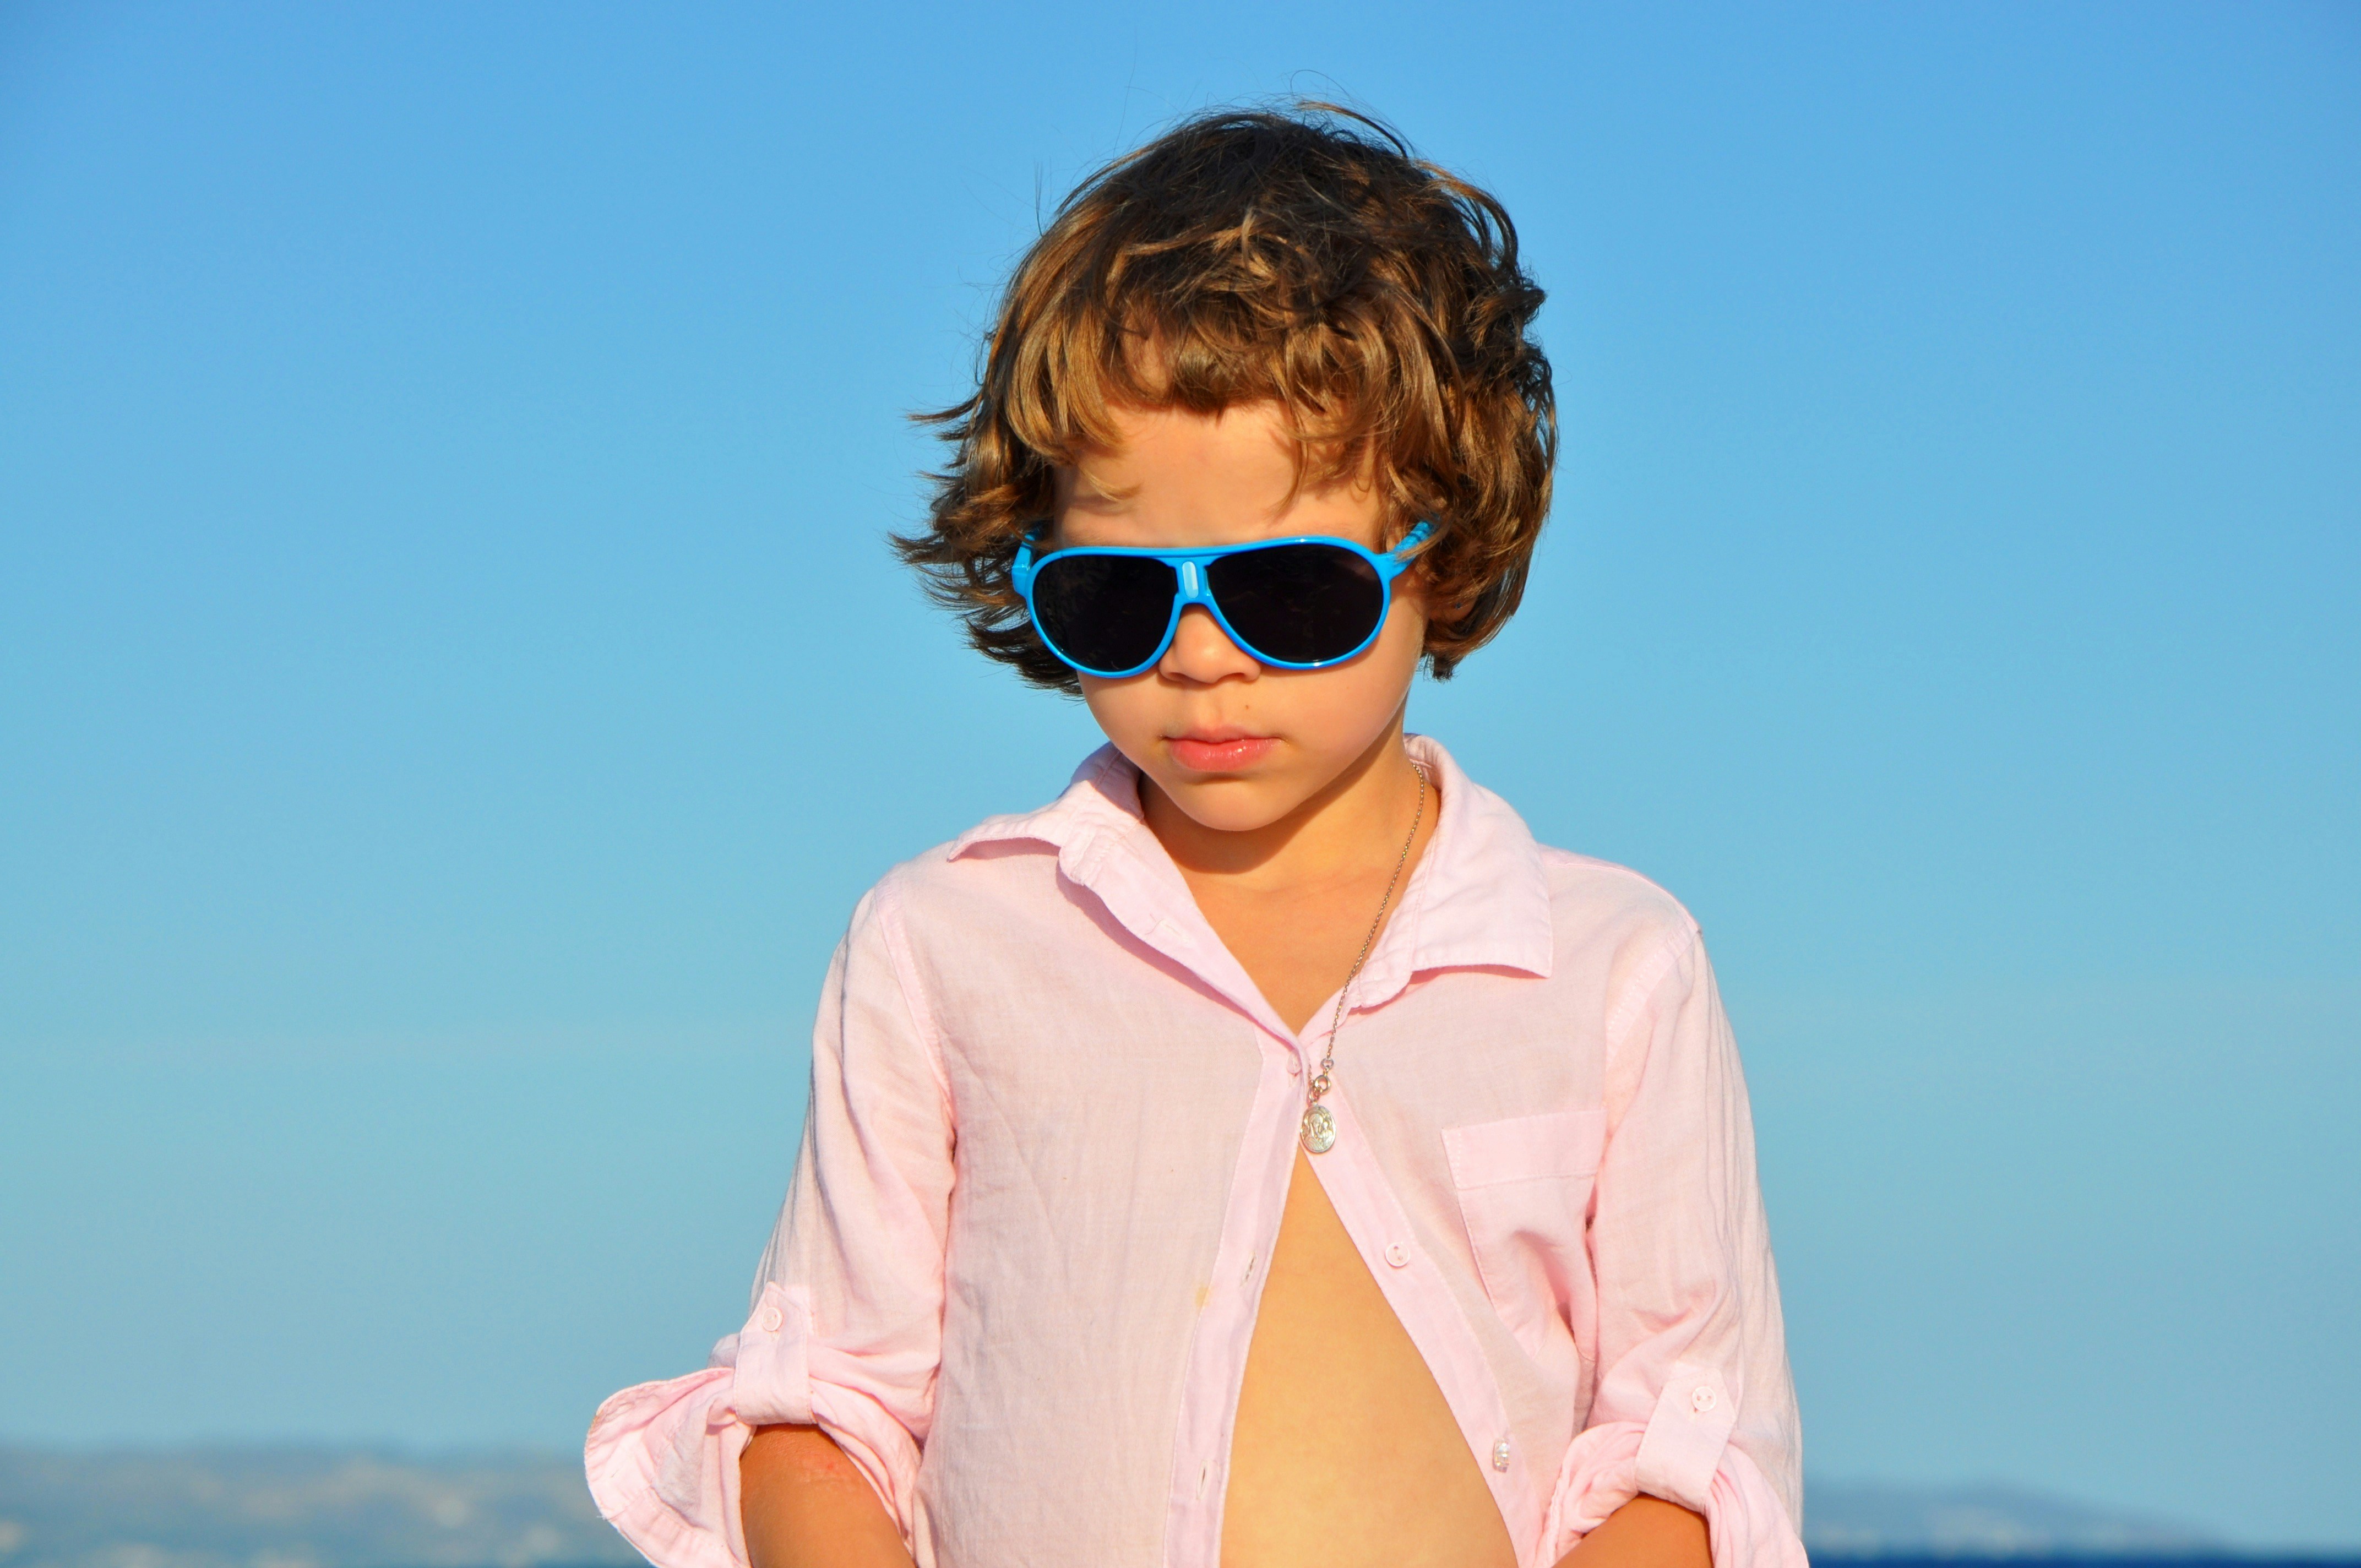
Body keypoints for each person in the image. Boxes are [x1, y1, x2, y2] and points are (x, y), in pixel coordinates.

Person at [585, 104, 1804, 1568]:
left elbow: (1688, 1448)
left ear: (1446, 550)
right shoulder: (949, 944)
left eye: (1293, 592)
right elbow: (821, 1405)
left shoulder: (1610, 967)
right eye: (1118, 595)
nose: (1202, 655)